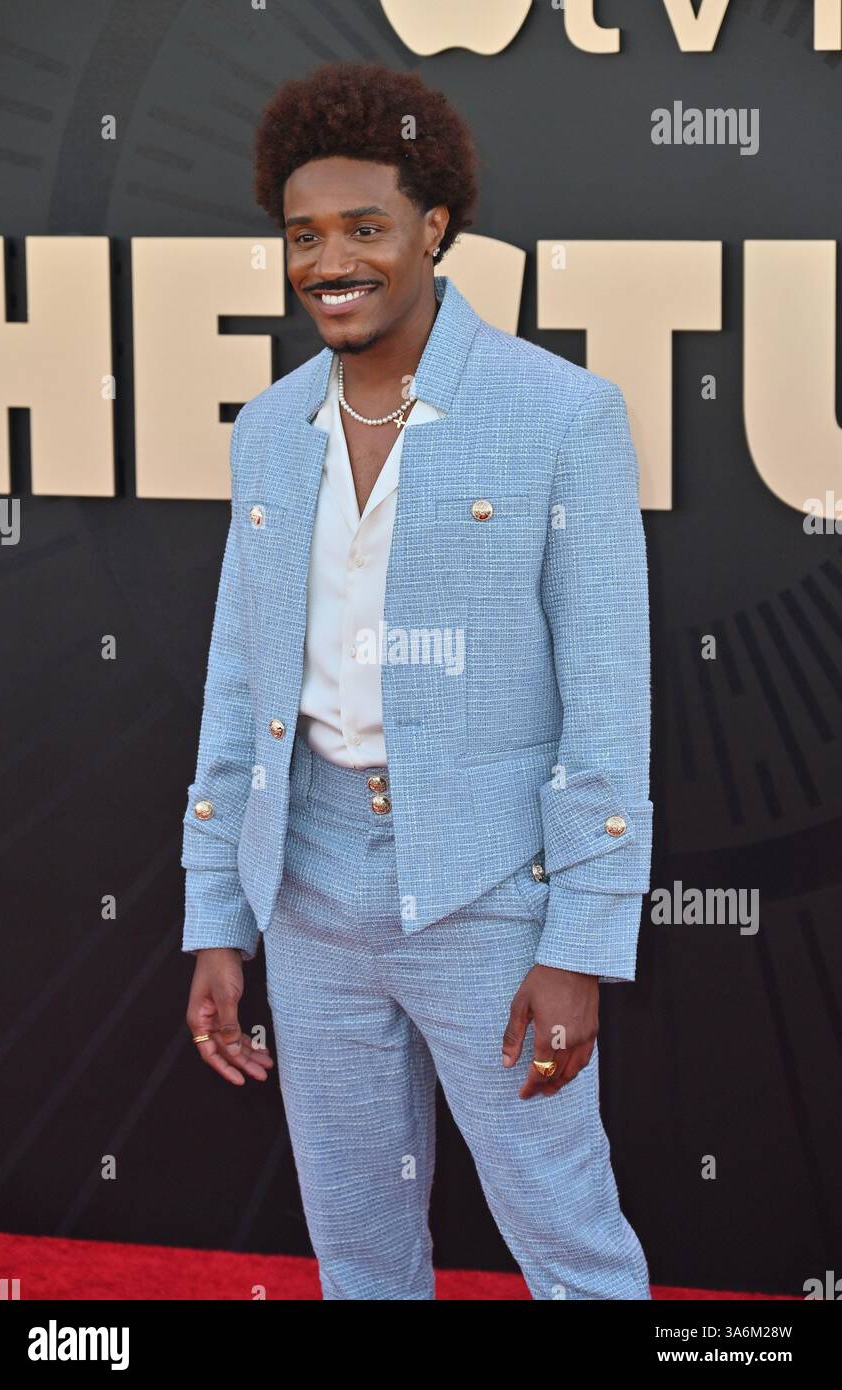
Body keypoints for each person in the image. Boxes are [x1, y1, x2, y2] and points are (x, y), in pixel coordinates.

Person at [181, 61, 653, 1301]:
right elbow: (241, 684)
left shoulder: (562, 416)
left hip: (491, 890)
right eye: (303, 234)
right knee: (360, 1251)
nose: (330, 260)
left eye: (364, 228)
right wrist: (219, 915)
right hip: (308, 889)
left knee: (570, 1243)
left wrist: (584, 944)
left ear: (433, 228)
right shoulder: (269, 429)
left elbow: (609, 696)